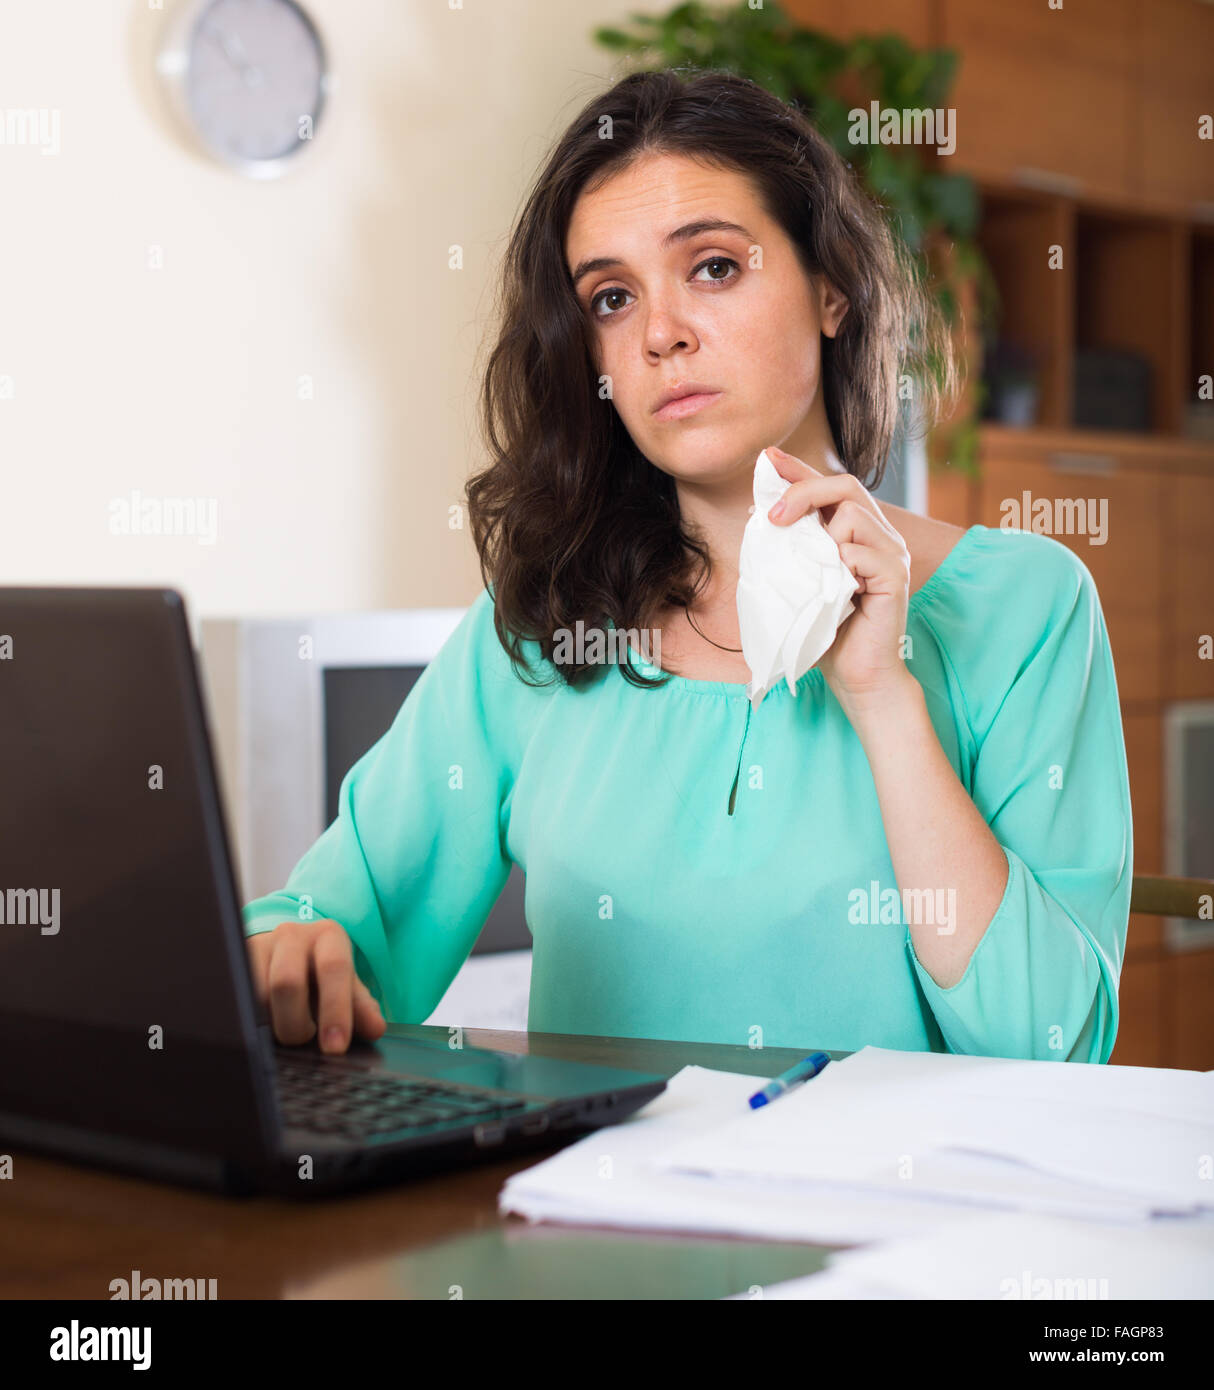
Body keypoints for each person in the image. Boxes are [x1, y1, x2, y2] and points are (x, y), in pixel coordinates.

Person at [242, 70, 1131, 1063]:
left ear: (829, 289)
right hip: (579, 1210)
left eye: (711, 266)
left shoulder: (1022, 607)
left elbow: (1050, 1048)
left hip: (898, 1216)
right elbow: (324, 934)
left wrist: (881, 697)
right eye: (611, 298)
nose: (659, 332)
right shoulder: (541, 622)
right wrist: (292, 949)